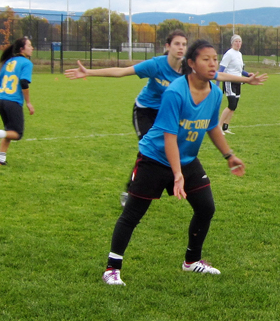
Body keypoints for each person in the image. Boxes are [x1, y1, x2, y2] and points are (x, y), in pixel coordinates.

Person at [102, 40, 246, 287]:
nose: (213, 63)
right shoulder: (175, 92)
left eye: (214, 58)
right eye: (206, 59)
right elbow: (169, 136)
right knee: (133, 214)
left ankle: (192, 261)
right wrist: (177, 174)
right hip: (155, 158)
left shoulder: (214, 92)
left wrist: (229, 155)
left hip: (187, 160)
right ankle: (112, 268)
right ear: (191, 64)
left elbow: (212, 126)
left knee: (206, 207)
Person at [65, 31, 265, 204]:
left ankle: (174, 180)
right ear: (167, 46)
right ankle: (131, 189)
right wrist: (89, 72)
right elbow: (121, 72)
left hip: (168, 114)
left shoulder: (190, 70)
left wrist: (246, 79)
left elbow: (218, 76)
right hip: (145, 111)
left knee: (171, 147)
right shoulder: (155, 65)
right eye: (177, 44)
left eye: (184, 44)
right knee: (150, 149)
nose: (181, 48)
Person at [0, 38, 35, 166]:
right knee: (17, 134)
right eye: (29, 45)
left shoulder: (9, 61)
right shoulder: (26, 63)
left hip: (1, 99)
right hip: (12, 101)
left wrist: (3, 95)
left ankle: (0, 160)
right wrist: (28, 102)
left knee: (9, 131)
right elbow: (24, 82)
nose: (32, 48)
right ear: (22, 49)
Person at [219, 34, 249, 134]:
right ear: (232, 43)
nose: (238, 43)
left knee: (234, 106)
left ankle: (225, 127)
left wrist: (248, 75)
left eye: (239, 41)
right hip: (229, 81)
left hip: (238, 82)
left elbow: (240, 70)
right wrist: (217, 84)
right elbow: (221, 70)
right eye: (236, 41)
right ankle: (219, 127)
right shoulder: (229, 54)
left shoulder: (239, 54)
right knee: (231, 104)